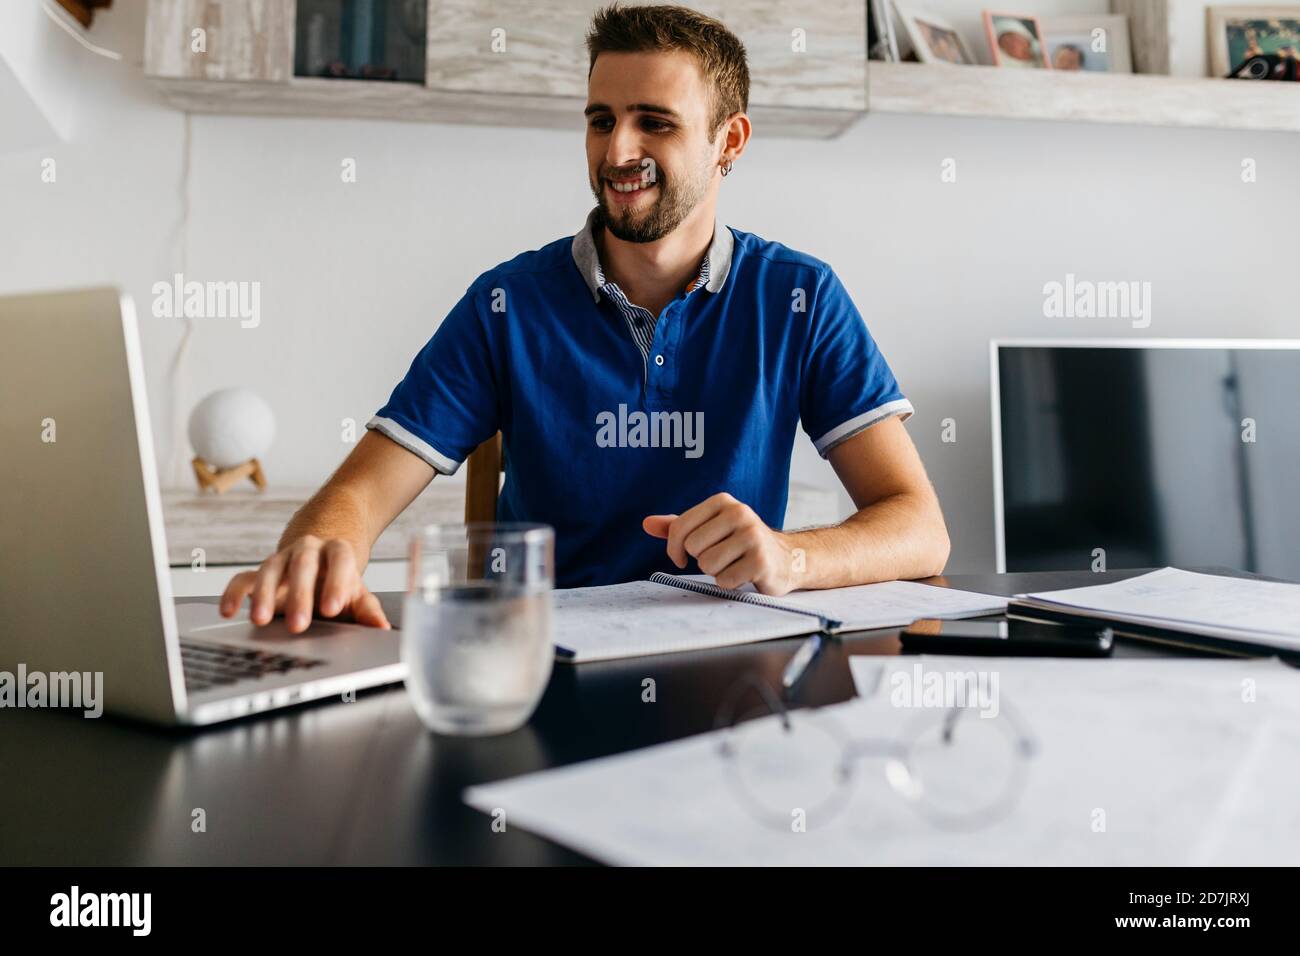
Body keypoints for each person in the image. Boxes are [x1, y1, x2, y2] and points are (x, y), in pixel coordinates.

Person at [219, 4, 951, 634]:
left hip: (731, 679)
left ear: (729, 141)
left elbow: (919, 527)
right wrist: (323, 547)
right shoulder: (508, 303)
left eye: (654, 123)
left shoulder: (800, 297)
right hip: (540, 670)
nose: (618, 151)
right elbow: (363, 492)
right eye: (602, 120)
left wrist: (791, 557)